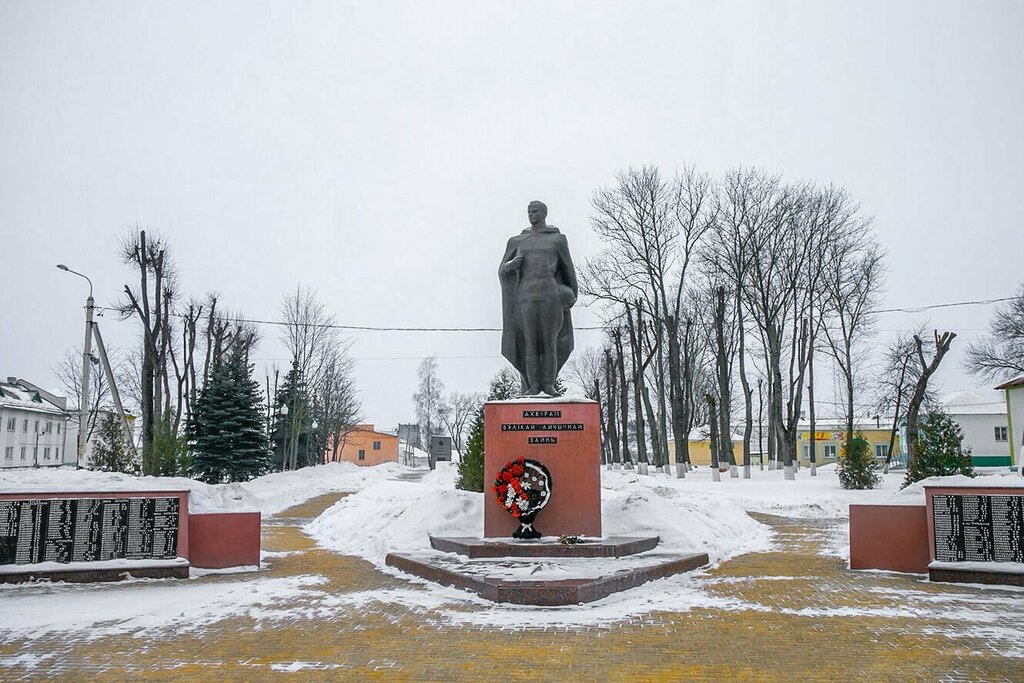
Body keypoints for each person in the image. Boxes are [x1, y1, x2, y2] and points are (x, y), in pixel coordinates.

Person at [499, 201, 578, 396]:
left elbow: (568, 270)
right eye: (528, 212)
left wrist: (571, 295)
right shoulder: (517, 241)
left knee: (549, 341)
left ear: (544, 213)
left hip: (551, 297)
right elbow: (502, 269)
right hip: (526, 297)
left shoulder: (557, 240)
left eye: (534, 211)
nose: (531, 215)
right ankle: (533, 386)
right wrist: (511, 266)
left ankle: (548, 385)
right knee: (530, 342)